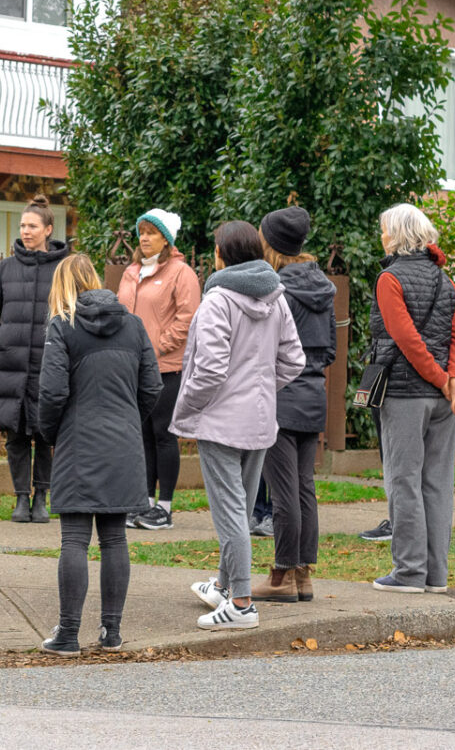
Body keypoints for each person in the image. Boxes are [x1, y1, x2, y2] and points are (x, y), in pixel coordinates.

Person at [170, 221, 303, 630]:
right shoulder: (276, 297)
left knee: (230, 514)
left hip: (222, 422)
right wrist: (261, 389)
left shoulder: (218, 301)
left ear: (222, 254)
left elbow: (208, 370)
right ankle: (227, 587)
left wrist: (188, 406)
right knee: (241, 510)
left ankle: (242, 603)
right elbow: (294, 361)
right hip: (260, 421)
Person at [35, 253, 158, 655]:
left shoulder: (63, 327)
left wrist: (52, 432)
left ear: (62, 286)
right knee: (114, 538)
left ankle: (68, 633)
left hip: (78, 441)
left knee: (74, 539)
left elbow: (52, 393)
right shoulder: (134, 325)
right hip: (124, 442)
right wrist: (128, 420)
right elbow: (152, 388)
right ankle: (111, 632)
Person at [368, 202, 455, 594]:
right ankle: (436, 575)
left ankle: (409, 572)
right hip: (444, 400)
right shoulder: (445, 280)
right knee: (437, 483)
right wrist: (453, 380)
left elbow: (404, 337)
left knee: (403, 481)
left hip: (403, 393)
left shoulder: (389, 278)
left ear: (395, 235)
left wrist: (440, 377)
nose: (381, 236)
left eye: (384, 229)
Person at [251, 206, 337, 605]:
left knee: (283, 492)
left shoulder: (277, 288)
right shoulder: (321, 287)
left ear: (272, 244)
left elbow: (265, 347)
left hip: (282, 396)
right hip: (314, 395)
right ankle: (303, 574)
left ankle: (282, 574)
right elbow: (331, 350)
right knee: (304, 489)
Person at [0, 196, 70, 524]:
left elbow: (75, 310)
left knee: (45, 433)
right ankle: (20, 498)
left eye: (32, 226)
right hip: (12, 364)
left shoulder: (63, 268)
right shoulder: (6, 268)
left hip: (49, 363)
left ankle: (42, 498)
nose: (26, 231)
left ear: (48, 229)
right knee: (15, 435)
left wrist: (65, 347)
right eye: (22, 226)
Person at [117, 207, 201, 530]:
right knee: (142, 435)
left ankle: (164, 507)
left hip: (166, 367)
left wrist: (153, 349)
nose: (144, 238)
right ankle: (145, 503)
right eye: (142, 232)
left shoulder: (182, 274)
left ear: (166, 240)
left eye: (152, 233)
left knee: (164, 434)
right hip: (134, 368)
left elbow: (187, 319)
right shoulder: (130, 272)